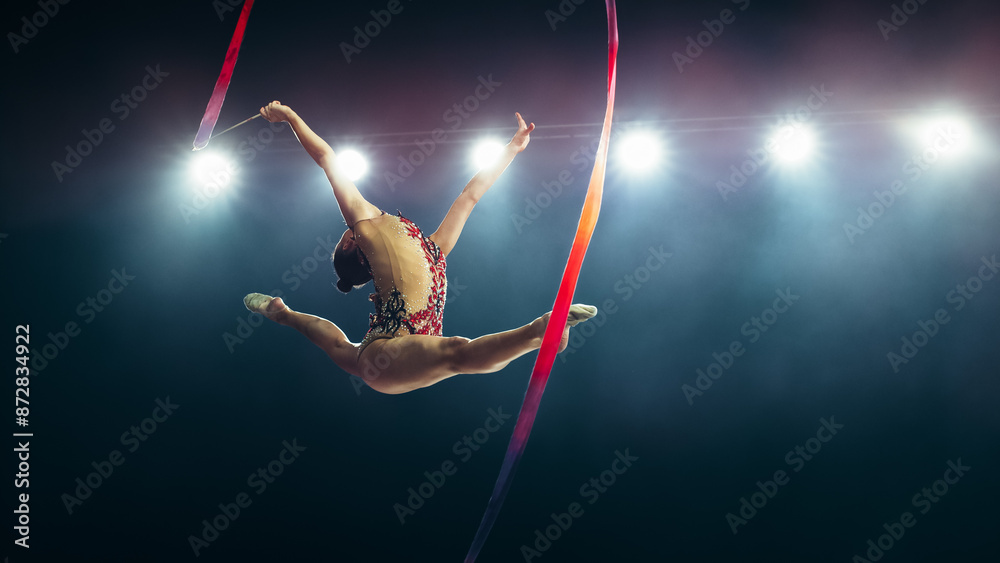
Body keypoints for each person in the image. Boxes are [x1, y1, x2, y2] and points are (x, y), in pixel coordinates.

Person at [244, 101, 596, 394]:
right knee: (455, 351)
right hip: (388, 352)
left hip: (395, 355)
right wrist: (290, 118)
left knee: (344, 349)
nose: (345, 229)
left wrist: (512, 149)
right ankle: (540, 330)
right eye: (343, 234)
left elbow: (470, 196)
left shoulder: (432, 250)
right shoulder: (365, 223)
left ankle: (282, 312)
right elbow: (326, 157)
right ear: (352, 242)